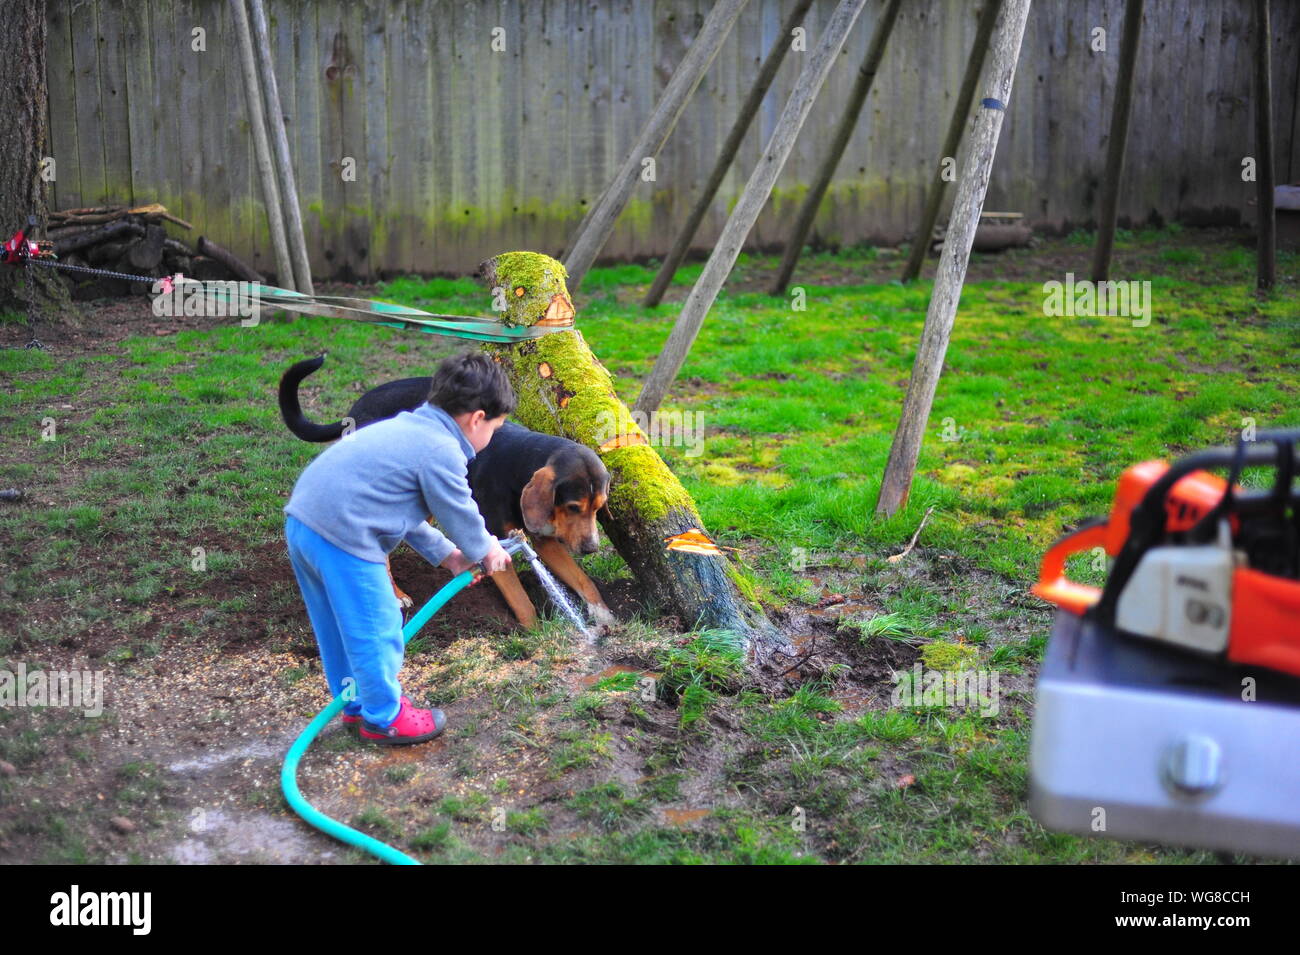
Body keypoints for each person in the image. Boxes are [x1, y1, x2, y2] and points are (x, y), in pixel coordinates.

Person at [283, 351, 514, 744]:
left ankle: (354, 705)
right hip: (345, 536)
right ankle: (384, 717)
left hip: (305, 523)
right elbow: (459, 511)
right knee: (378, 626)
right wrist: (484, 549)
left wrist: (450, 557)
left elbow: (400, 513)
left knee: (339, 628)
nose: (491, 437)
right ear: (477, 419)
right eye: (496, 427)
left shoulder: (410, 429)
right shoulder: (442, 449)